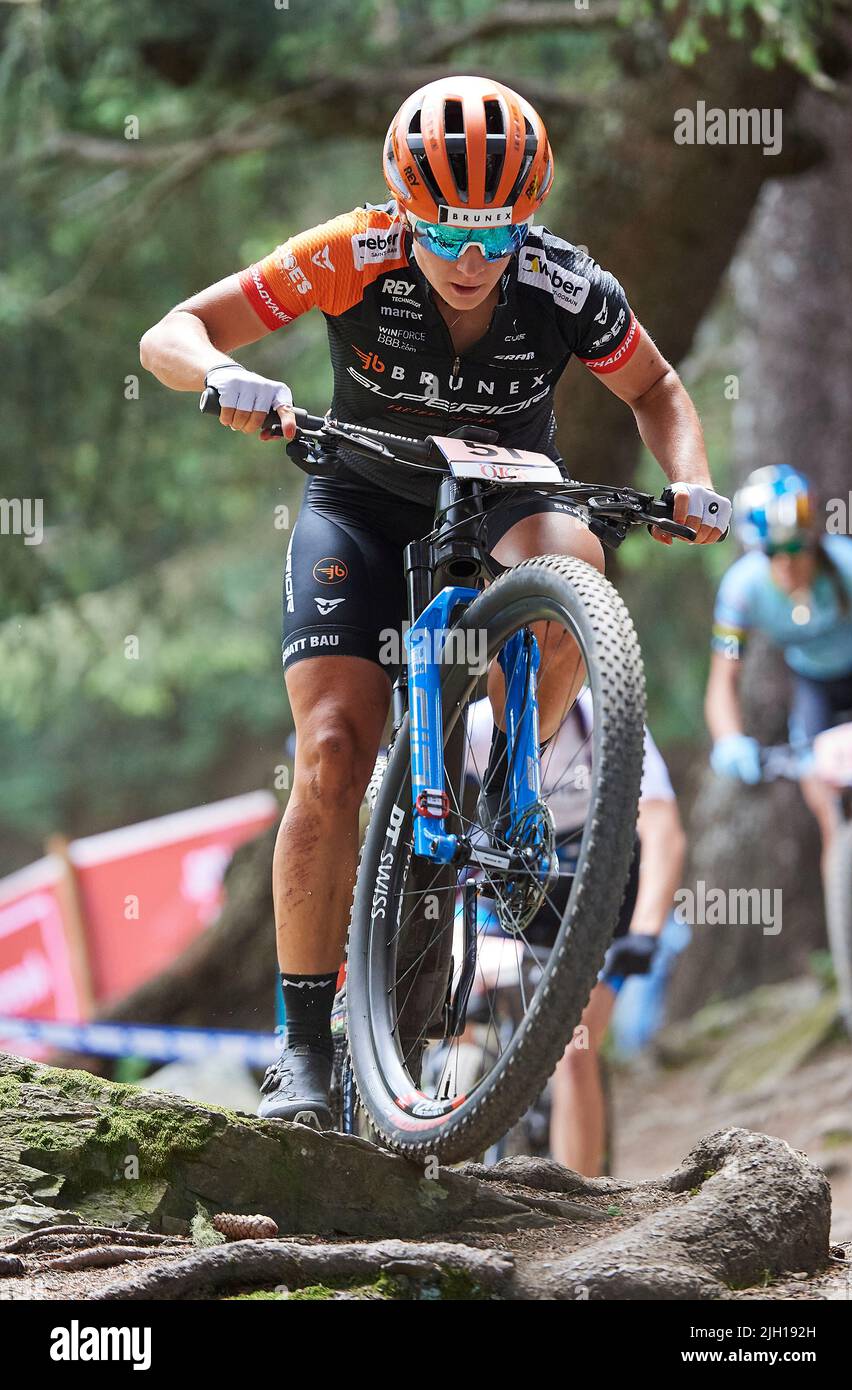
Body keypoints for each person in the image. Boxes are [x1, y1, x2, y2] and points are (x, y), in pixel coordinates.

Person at [140, 74, 728, 1127]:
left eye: (492, 237)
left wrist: (687, 479)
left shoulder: (563, 284)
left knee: (575, 565)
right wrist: (223, 375)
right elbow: (174, 329)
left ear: (525, 223)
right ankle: (305, 1051)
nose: (468, 259)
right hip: (360, 498)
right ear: (402, 213)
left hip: (505, 495)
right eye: (444, 233)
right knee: (327, 753)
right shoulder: (348, 253)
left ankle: (505, 785)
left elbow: (656, 389)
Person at [467, 691, 686, 1176]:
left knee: (576, 1047)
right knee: (453, 1021)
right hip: (509, 897)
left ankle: (580, 1203)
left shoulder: (609, 718)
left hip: (599, 903)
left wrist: (645, 934)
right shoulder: (477, 725)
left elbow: (662, 829)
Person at [706, 465, 852, 858]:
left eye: (794, 547)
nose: (785, 564)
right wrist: (728, 739)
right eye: (772, 552)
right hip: (815, 688)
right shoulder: (742, 592)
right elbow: (723, 680)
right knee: (831, 817)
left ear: (811, 538)